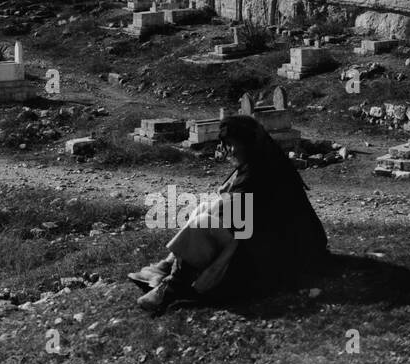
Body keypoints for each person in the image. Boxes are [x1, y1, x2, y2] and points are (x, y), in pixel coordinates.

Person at [129, 113, 328, 311]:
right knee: (205, 210)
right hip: (260, 238)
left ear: (249, 142)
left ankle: (172, 286)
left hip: (286, 253)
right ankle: (167, 266)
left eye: (234, 144)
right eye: (227, 144)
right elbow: (232, 208)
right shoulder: (257, 161)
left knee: (204, 221)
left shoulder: (260, 171)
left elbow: (239, 216)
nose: (229, 150)